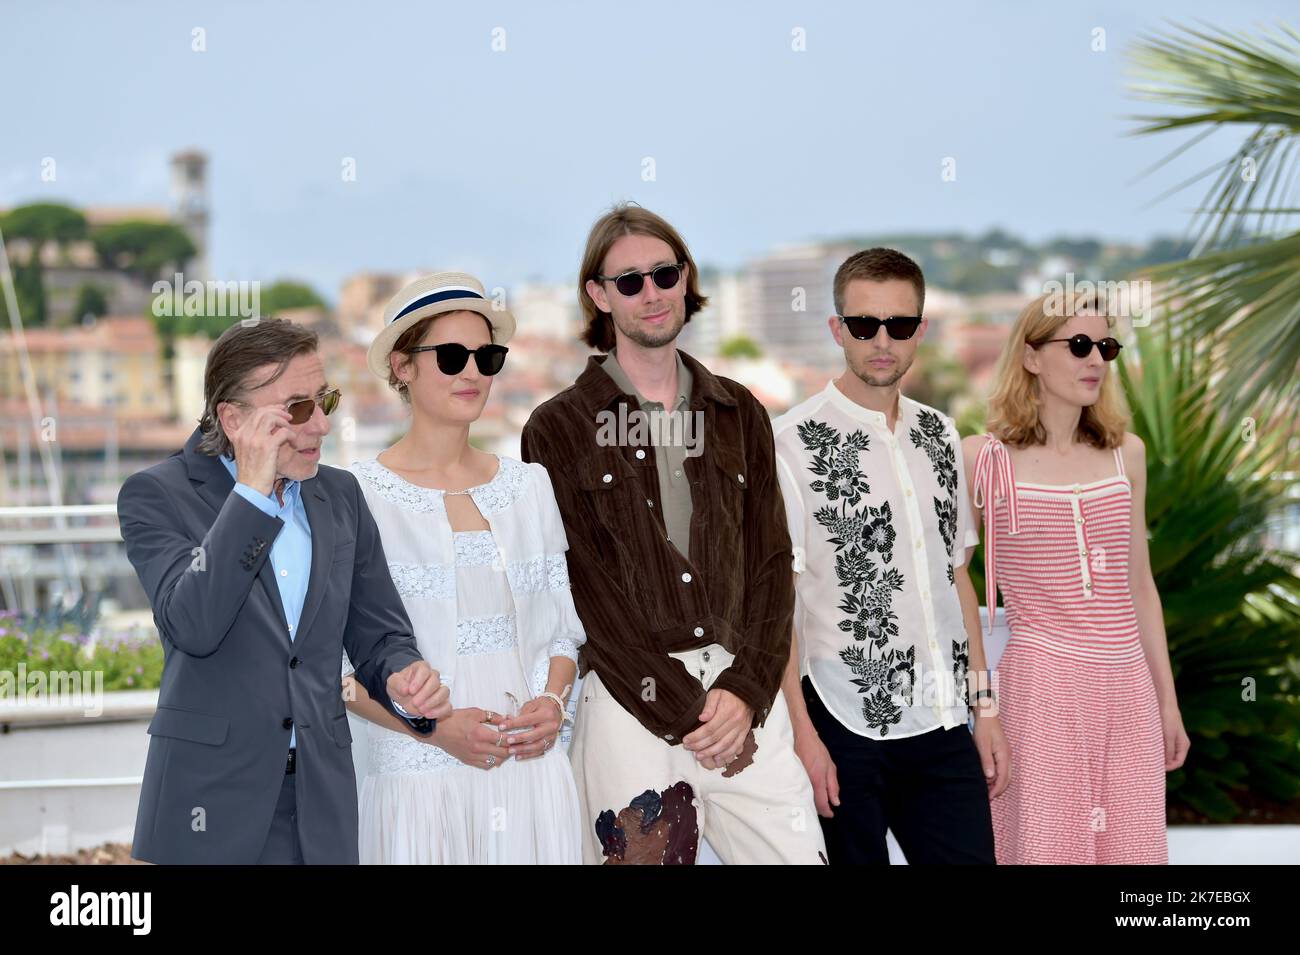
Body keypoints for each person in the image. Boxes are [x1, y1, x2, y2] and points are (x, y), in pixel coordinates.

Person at [522, 203, 826, 865]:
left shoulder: (738, 410)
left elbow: (774, 565)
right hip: (630, 701)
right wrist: (686, 709)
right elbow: (584, 590)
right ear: (598, 296)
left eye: (664, 273)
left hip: (743, 699)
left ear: (686, 277)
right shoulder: (559, 427)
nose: (651, 293)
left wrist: (745, 691)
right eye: (628, 281)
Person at [118, 317, 451, 865]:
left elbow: (379, 633)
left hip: (322, 802)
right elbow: (194, 626)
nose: (321, 424)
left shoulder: (340, 495)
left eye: (325, 400)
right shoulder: (156, 495)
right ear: (232, 417)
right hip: (209, 803)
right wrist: (251, 494)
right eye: (298, 408)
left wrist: (402, 674)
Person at [341, 272, 585, 864]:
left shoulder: (530, 486)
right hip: (415, 779)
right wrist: (433, 730)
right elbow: (335, 667)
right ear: (402, 366)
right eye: (451, 356)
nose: (473, 372)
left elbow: (563, 631)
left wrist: (552, 707)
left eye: (487, 356)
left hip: (527, 769)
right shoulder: (356, 495)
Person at [774, 247, 1008, 864]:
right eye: (863, 324)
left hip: (943, 722)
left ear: (920, 332)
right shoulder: (790, 442)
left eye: (900, 325)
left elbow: (958, 577)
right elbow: (778, 606)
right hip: (844, 725)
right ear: (837, 330)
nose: (882, 340)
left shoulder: (940, 435)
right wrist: (803, 735)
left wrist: (985, 709)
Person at [962, 289, 1189, 864]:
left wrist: (1167, 702)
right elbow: (952, 585)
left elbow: (1140, 585)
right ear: (1032, 356)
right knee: (1047, 849)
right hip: (1042, 686)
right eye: (1080, 345)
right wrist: (983, 704)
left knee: (1133, 854)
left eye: (1105, 347)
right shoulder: (980, 458)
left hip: (1128, 687)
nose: (1096, 360)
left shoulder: (1126, 454)